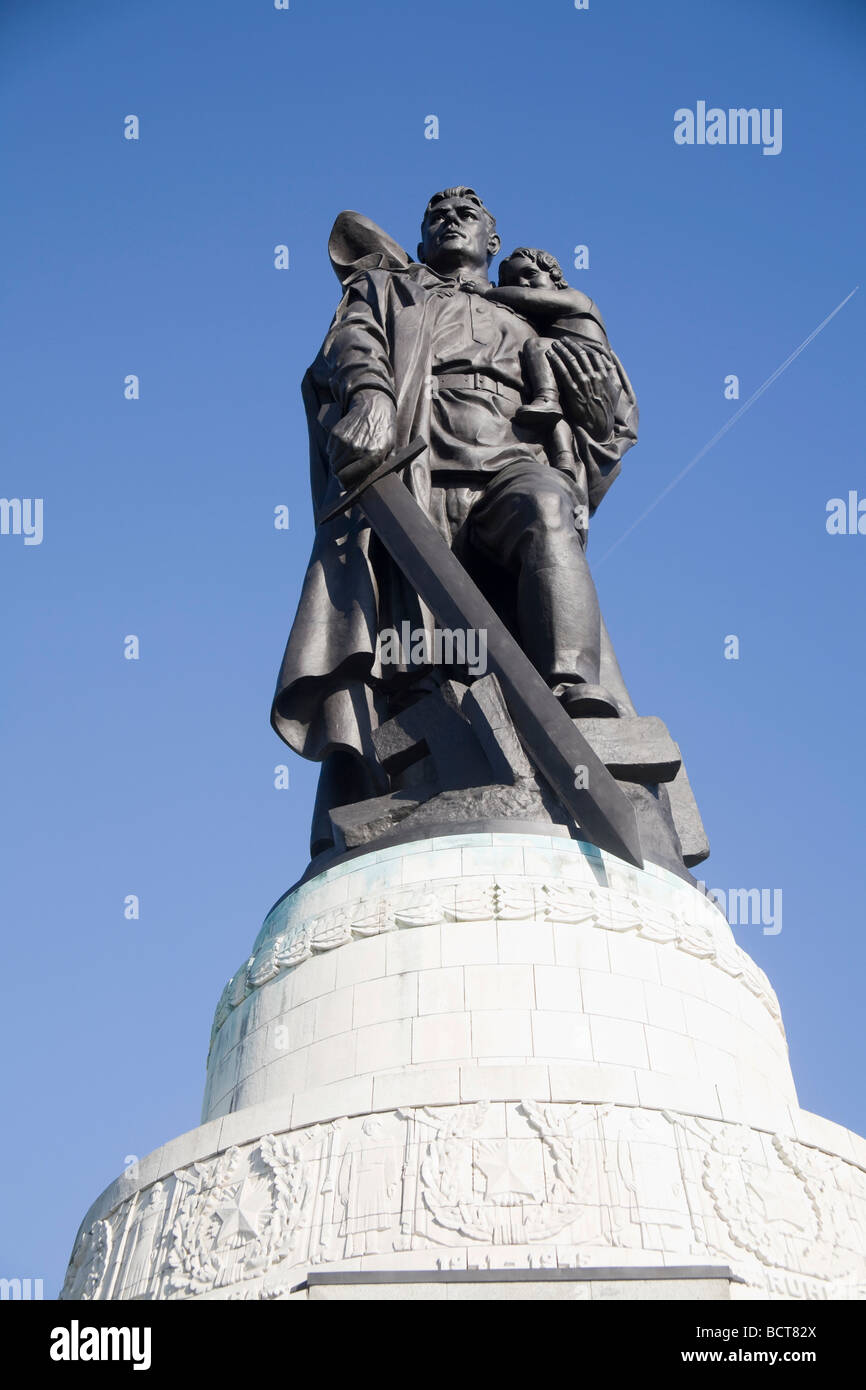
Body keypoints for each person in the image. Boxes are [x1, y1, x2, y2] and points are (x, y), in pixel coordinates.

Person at [271, 188, 639, 857]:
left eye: (467, 213)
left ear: (492, 241)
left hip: (510, 460)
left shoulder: (530, 321)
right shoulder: (391, 290)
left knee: (549, 509)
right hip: (415, 469)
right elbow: (351, 344)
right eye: (436, 214)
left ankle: (571, 699)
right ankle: (423, 775)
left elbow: (607, 415)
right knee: (421, 657)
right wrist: (373, 394)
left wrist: (598, 407)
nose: (450, 218)